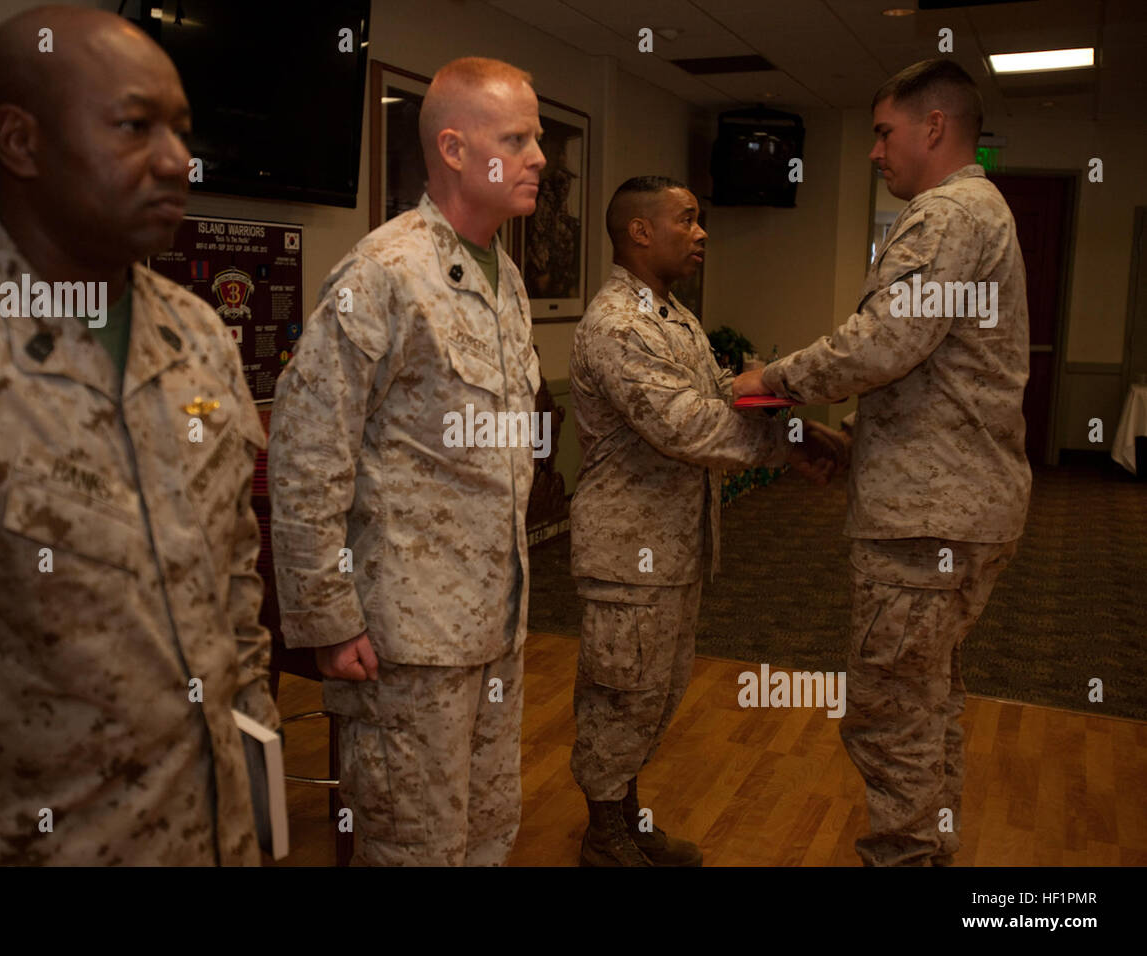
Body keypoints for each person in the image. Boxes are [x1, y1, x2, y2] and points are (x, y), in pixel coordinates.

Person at [0, 5, 277, 865]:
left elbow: (232, 578)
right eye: (134, 127)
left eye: (182, 131)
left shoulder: (198, 336)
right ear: (19, 142)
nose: (175, 161)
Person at [733, 58, 1031, 866]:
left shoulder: (947, 214)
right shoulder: (982, 211)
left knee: (890, 713)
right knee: (930, 705)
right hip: (959, 506)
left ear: (933, 127)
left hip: (926, 522)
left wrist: (772, 381)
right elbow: (938, 375)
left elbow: (886, 342)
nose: (874, 151)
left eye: (883, 131)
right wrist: (855, 441)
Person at [268, 57, 545, 866]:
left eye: (538, 138)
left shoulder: (508, 280)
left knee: (489, 831)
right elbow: (309, 448)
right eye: (517, 138)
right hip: (405, 637)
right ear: (455, 150)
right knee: (412, 848)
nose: (537, 157)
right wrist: (327, 617)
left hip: (495, 623)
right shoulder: (385, 272)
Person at [570, 175, 848, 866]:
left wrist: (790, 421)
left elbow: (717, 394)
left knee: (653, 693)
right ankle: (603, 835)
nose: (700, 234)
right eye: (686, 220)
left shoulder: (672, 315)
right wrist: (789, 445)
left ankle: (627, 818)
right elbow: (685, 425)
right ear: (639, 232)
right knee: (620, 691)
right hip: (627, 551)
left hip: (674, 546)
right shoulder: (618, 323)